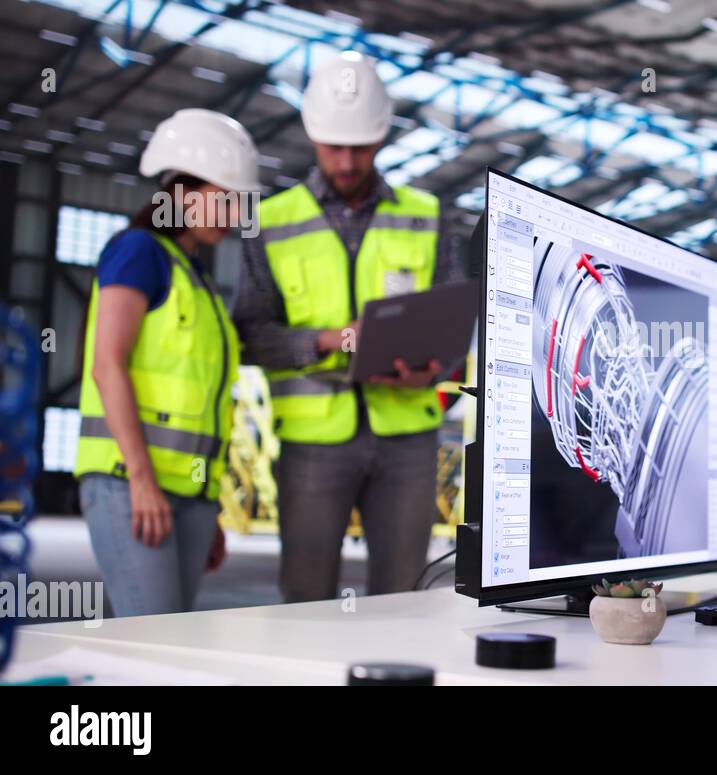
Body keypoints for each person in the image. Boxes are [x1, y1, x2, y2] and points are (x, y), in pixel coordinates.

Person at [233, 51, 448, 602]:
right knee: (306, 599)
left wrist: (428, 371)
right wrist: (331, 339)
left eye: (360, 147)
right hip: (313, 442)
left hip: (408, 436)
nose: (348, 161)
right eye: (335, 147)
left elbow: (453, 320)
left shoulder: (426, 215)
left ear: (381, 138)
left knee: (403, 596)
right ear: (312, 136)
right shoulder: (272, 221)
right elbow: (251, 334)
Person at [75, 109, 259, 616]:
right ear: (181, 191)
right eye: (223, 199)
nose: (231, 214)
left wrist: (207, 505)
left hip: (187, 495)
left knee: (171, 641)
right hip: (129, 483)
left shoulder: (194, 278)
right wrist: (141, 481)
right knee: (151, 641)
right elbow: (106, 365)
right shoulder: (138, 252)